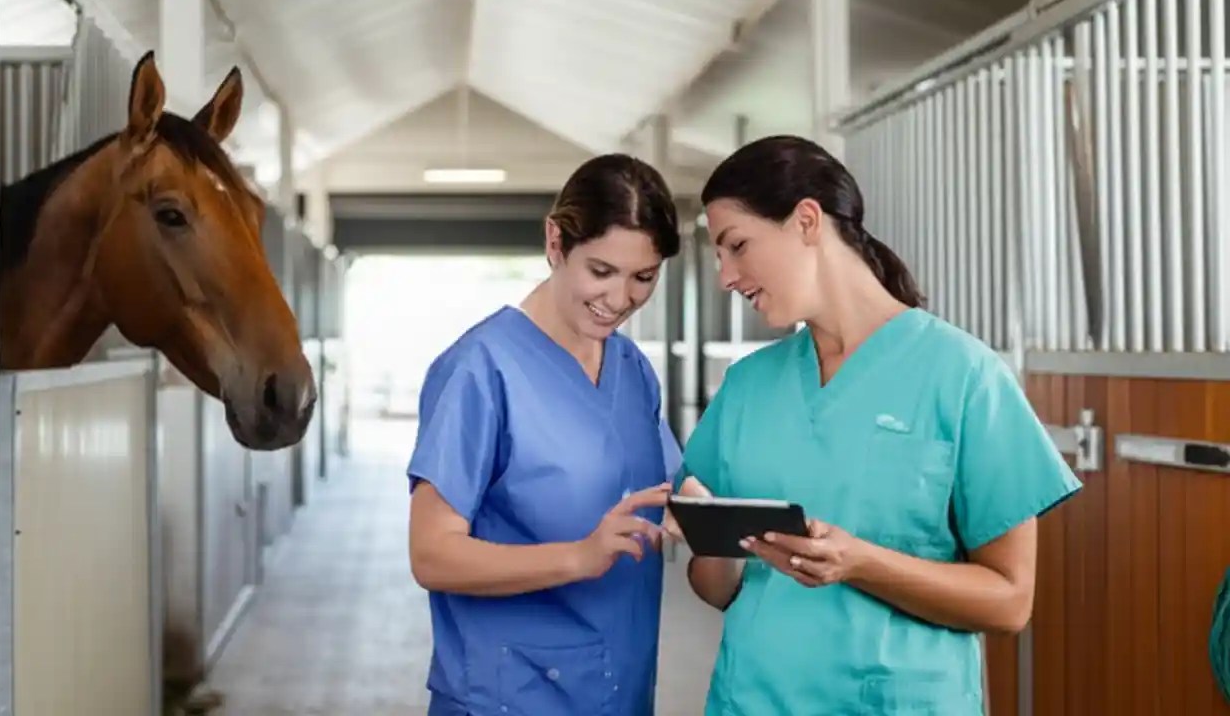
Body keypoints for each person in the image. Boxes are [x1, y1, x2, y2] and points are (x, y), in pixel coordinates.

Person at [677, 135, 1083, 715]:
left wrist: (860, 563)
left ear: (807, 221)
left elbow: (1009, 602)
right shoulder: (748, 386)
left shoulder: (963, 376)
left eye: (737, 246)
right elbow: (715, 588)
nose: (726, 277)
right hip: (751, 699)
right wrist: (716, 538)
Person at [406, 153, 685, 716]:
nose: (620, 299)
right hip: (510, 696)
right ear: (555, 242)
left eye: (644, 278)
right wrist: (578, 558)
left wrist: (705, 512)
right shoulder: (480, 369)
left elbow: (666, 487)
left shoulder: (631, 368)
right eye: (601, 271)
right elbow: (432, 555)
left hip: (620, 688)